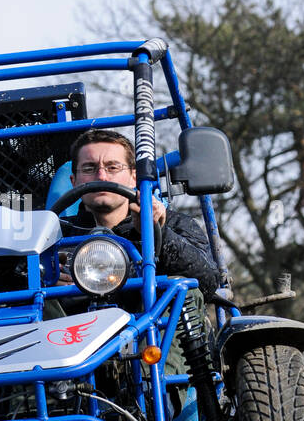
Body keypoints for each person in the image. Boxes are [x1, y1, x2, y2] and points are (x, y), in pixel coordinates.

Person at [62, 129, 224, 302]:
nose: (101, 176)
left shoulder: (175, 223)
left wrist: (157, 232)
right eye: (89, 168)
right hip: (77, 326)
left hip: (156, 325)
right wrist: (46, 279)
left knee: (181, 289)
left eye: (113, 167)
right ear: (74, 181)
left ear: (134, 176)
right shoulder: (54, 235)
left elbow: (208, 283)